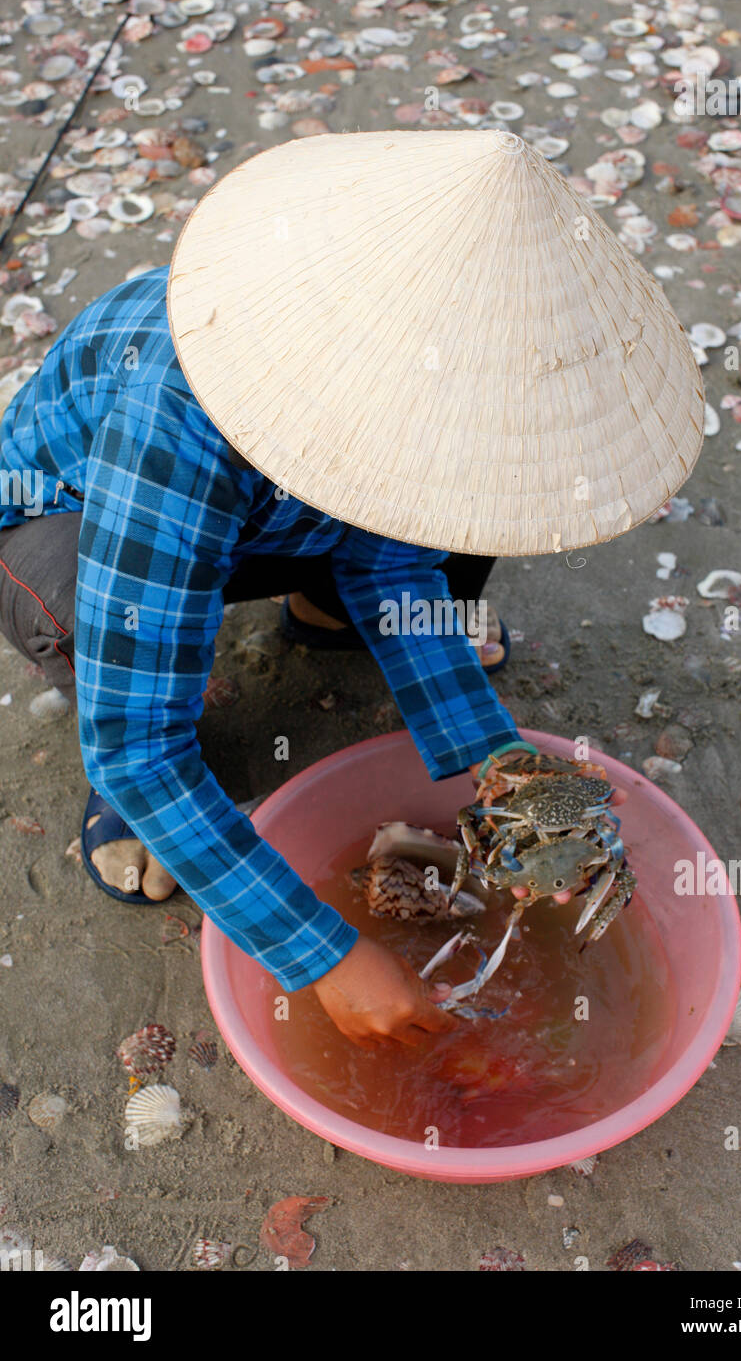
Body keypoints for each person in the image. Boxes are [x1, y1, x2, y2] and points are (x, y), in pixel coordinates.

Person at [0, 129, 703, 1049]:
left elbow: (398, 560)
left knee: (457, 522)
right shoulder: (179, 414)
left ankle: (318, 613)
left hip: (268, 514)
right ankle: (126, 778)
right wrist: (321, 955)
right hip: (77, 520)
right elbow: (138, 745)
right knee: (123, 674)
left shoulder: (407, 394)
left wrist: (498, 765)